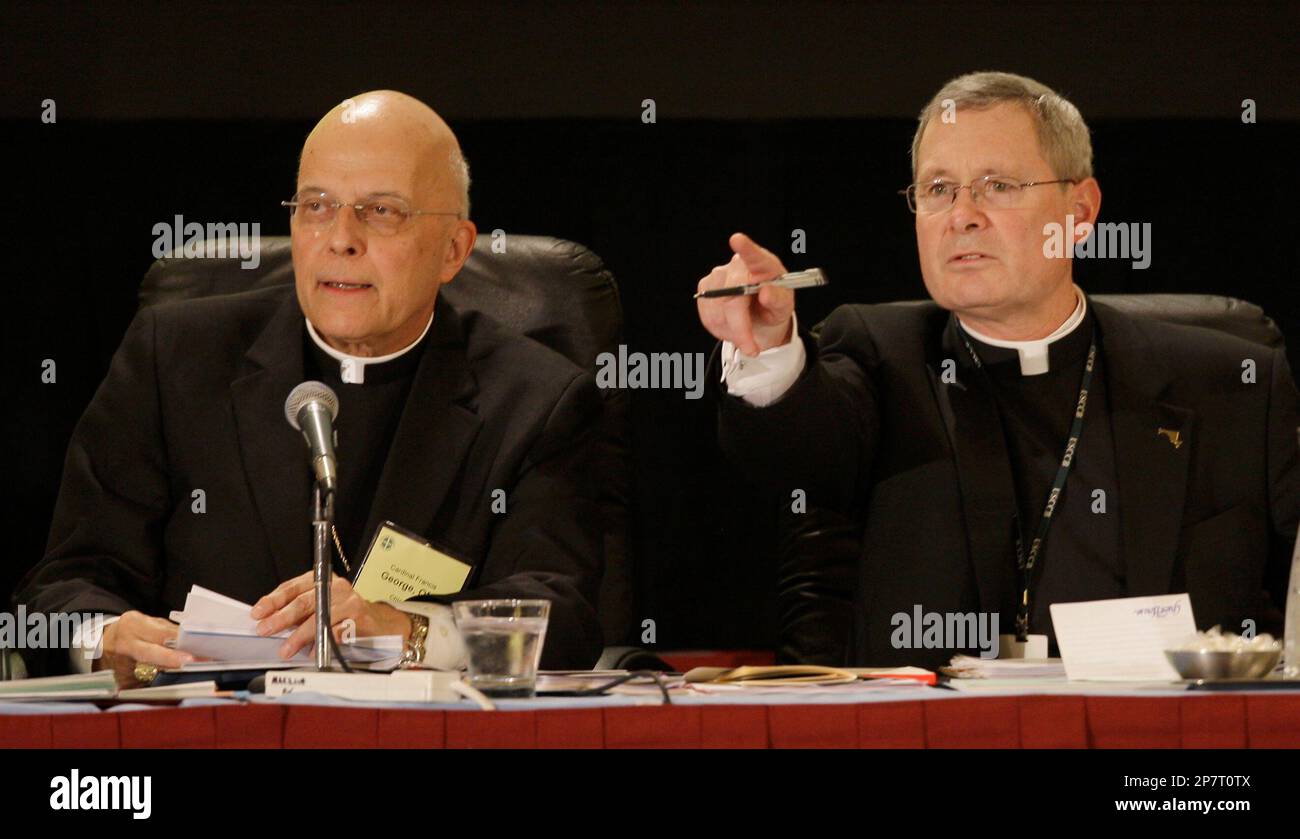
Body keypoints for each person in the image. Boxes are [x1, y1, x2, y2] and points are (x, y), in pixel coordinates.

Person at [696, 72, 1300, 667]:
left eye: (998, 185)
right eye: (937, 189)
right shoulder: (878, 356)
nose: (962, 215)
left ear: (1080, 211)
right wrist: (768, 346)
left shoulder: (1235, 384)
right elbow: (795, 449)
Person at [17, 90, 604, 682]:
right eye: (316, 205)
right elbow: (64, 585)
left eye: (382, 211)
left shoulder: (535, 400)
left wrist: (405, 628)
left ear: (453, 250)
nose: (340, 238)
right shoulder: (173, 359)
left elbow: (563, 617)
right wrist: (106, 639)